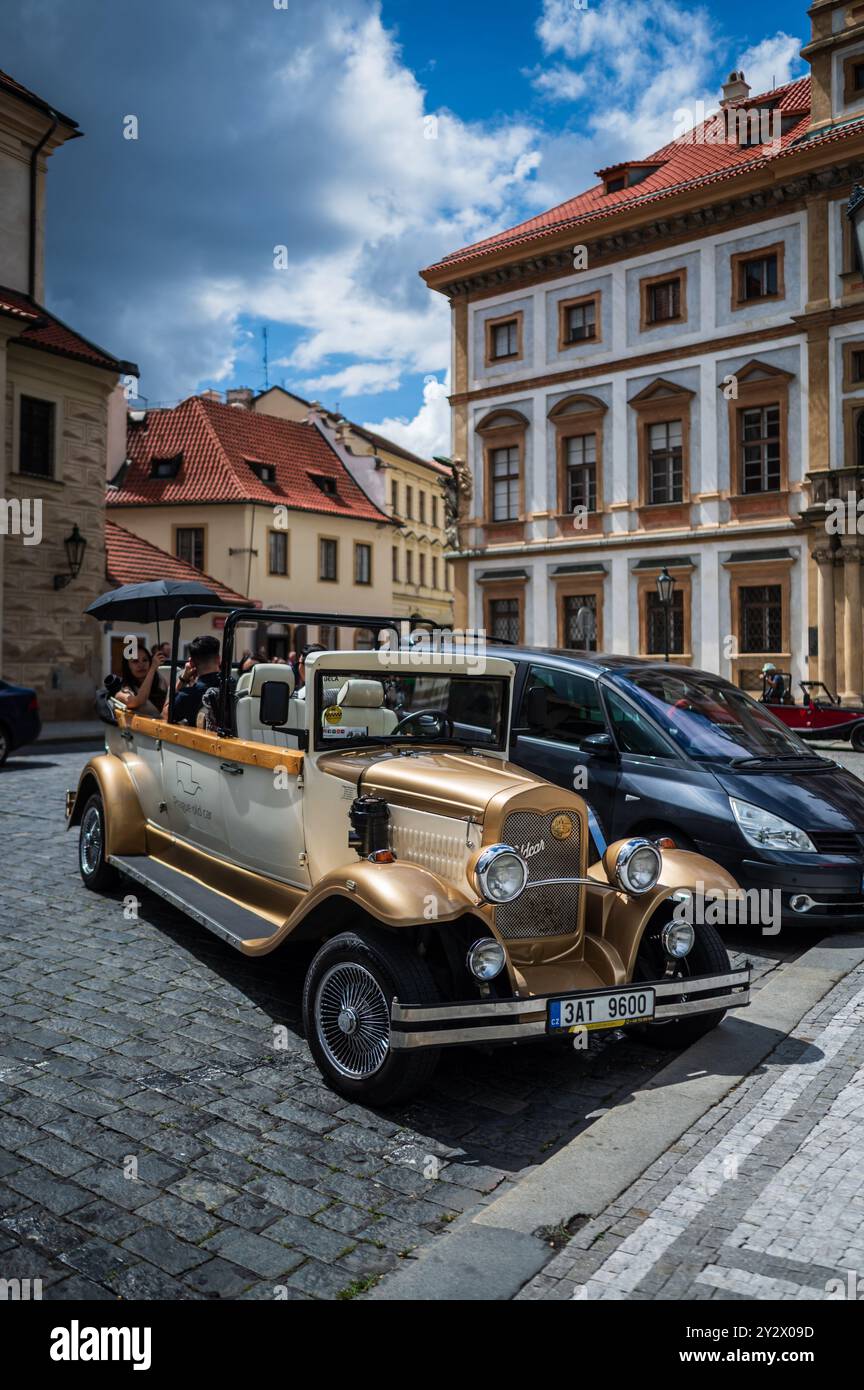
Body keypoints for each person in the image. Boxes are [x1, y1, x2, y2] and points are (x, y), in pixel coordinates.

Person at [172, 634, 222, 724]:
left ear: (191, 663)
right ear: (218, 659)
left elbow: (165, 714)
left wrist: (183, 679)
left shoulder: (187, 695)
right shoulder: (233, 686)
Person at [115, 641, 167, 717]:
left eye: (145, 660)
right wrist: (152, 668)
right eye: (135, 661)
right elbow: (138, 701)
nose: (141, 665)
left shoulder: (160, 680)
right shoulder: (122, 694)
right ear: (127, 666)